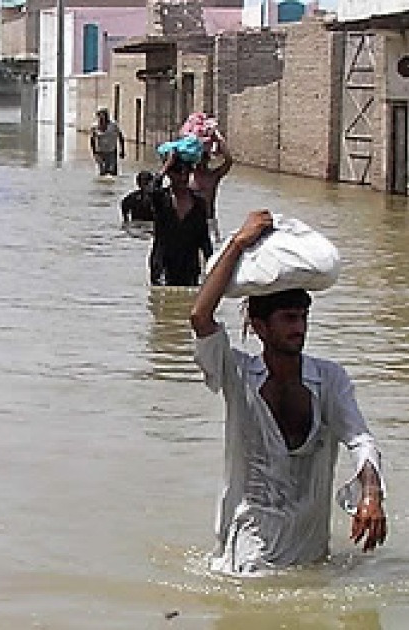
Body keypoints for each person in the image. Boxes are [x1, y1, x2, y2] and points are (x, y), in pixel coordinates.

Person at [189, 210, 387, 575]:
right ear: (261, 327)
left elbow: (360, 440)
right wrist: (238, 244)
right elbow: (201, 317)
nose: (299, 328)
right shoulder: (238, 375)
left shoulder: (329, 379)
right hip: (246, 555)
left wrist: (371, 493)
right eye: (289, 319)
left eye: (303, 318)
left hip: (310, 552)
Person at [150, 156, 212, 286]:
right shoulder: (161, 199)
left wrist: (212, 267)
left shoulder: (199, 204)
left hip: (189, 267)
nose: (182, 177)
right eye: (178, 172)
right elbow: (150, 190)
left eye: (186, 173)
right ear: (170, 175)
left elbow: (204, 240)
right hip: (163, 266)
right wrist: (165, 166)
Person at [190, 131, 233, 242]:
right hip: (190, 221)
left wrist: (219, 139)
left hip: (209, 220)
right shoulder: (187, 176)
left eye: (204, 159)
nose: (202, 162)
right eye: (200, 159)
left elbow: (228, 161)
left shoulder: (213, 176)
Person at [89, 107, 125, 176]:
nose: (101, 118)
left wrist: (122, 150)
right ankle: (102, 186)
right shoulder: (94, 127)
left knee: (112, 172)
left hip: (111, 152)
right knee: (103, 172)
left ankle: (113, 185)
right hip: (100, 152)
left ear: (106, 116)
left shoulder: (113, 125)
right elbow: (92, 140)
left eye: (103, 116)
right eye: (99, 116)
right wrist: (94, 153)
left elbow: (121, 137)